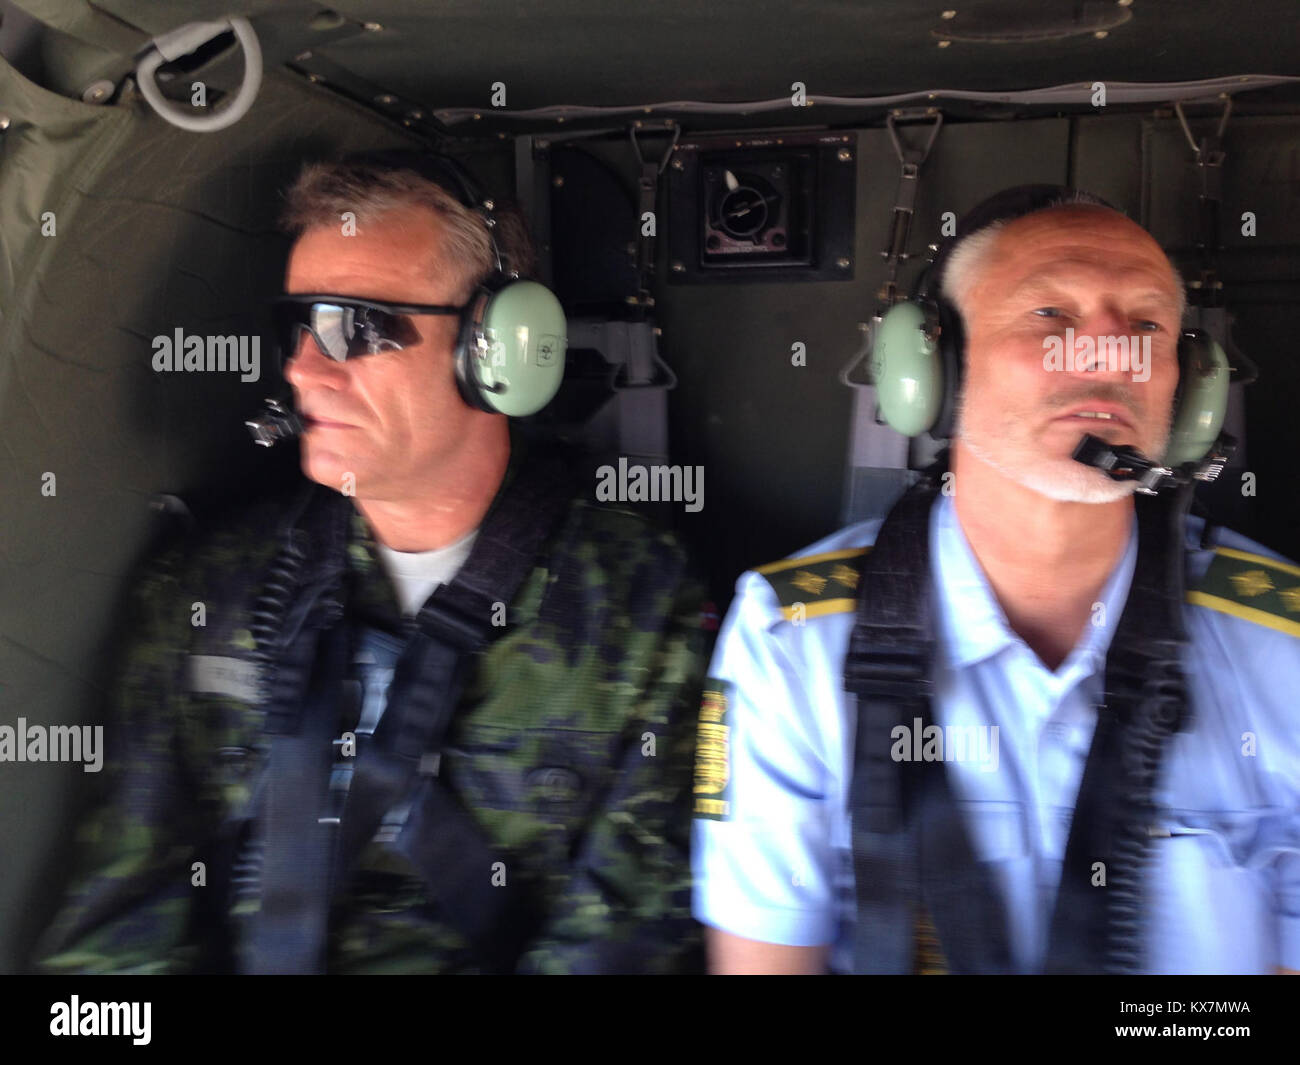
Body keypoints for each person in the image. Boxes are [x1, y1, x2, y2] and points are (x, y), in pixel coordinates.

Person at [35, 150, 710, 974]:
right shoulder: (208, 586)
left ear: (499, 348)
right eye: (300, 324)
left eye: (358, 325)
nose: (303, 367)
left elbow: (626, 942)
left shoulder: (641, 604)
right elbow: (113, 938)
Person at [692, 184, 1300, 975]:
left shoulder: (1280, 642)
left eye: (1145, 324)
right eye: (1050, 315)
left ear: (1189, 386)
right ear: (934, 365)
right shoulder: (793, 637)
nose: (1107, 352)